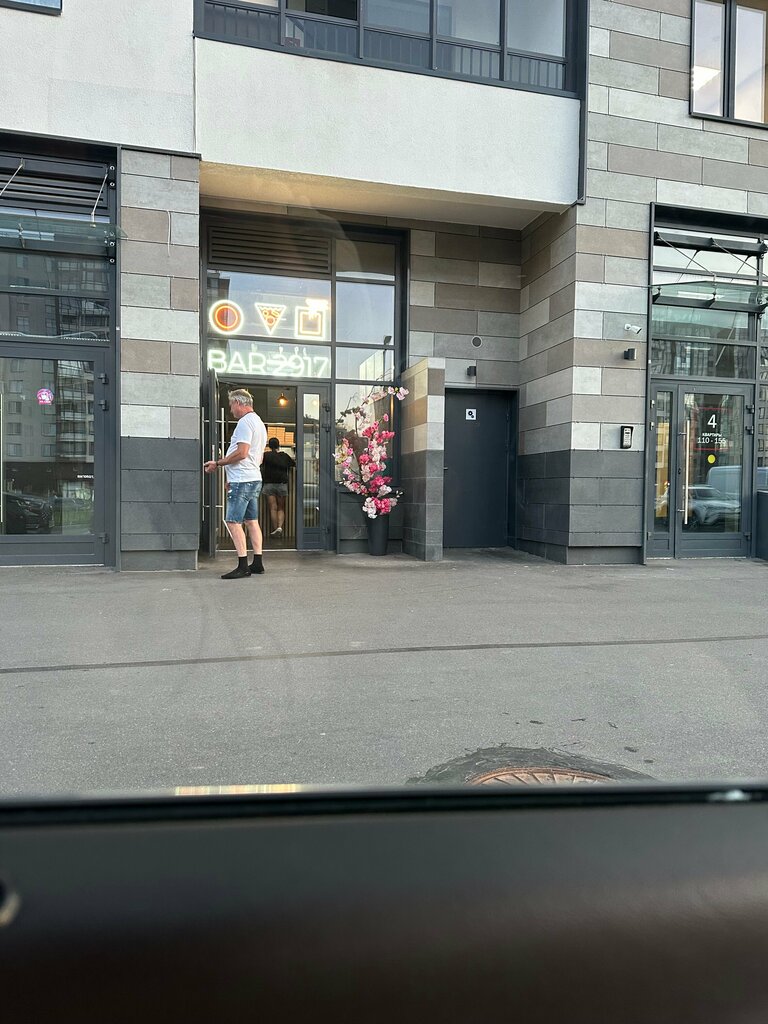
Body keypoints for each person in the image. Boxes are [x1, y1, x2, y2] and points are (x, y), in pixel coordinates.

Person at [203, 389, 268, 580]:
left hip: (242, 480)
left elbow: (242, 453)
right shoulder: (259, 423)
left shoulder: (244, 422)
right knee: (251, 521)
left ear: (239, 403)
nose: (231, 410)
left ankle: (242, 566)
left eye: (231, 405)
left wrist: (218, 463)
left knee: (232, 522)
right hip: (252, 478)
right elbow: (259, 457)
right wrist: (231, 477)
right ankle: (257, 562)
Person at [261, 437, 295, 538]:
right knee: (281, 507)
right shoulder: (284, 456)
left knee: (273, 508)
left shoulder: (266, 455)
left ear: (269, 446)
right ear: (278, 445)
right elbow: (293, 464)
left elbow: (258, 463)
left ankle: (275, 529)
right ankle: (279, 528)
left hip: (269, 484)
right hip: (281, 484)